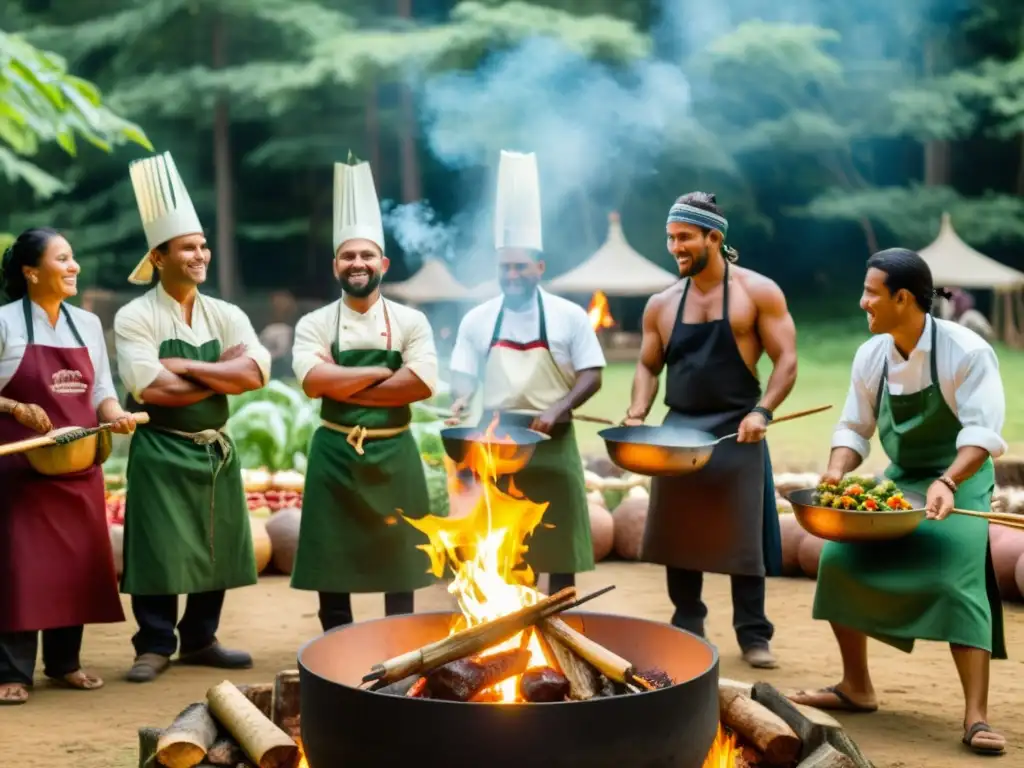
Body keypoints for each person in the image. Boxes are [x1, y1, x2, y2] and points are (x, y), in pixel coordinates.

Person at [789, 248, 1008, 756]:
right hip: (901, 481)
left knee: (957, 577)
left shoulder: (966, 351)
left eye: (871, 293)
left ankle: (976, 716)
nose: (862, 302)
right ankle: (856, 686)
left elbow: (980, 433)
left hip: (963, 480)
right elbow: (853, 427)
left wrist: (949, 483)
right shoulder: (872, 355)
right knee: (839, 558)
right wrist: (836, 470)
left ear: (903, 298)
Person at [113, 152, 272, 683]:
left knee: (215, 543)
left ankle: (200, 638)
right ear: (159, 257)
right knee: (157, 545)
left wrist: (182, 363)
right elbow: (152, 388)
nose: (201, 254)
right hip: (159, 448)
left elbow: (253, 375)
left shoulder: (225, 312)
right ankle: (155, 643)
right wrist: (215, 369)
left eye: (203, 245)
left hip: (214, 447)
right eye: (189, 247)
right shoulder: (134, 315)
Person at [624, 191, 796, 669]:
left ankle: (754, 633)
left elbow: (787, 361)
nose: (674, 246)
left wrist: (763, 411)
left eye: (684, 238)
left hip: (738, 426)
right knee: (679, 534)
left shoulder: (758, 292)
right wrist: (638, 411)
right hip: (678, 430)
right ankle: (688, 622)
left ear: (713, 237)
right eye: (670, 238)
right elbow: (646, 366)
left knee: (745, 536)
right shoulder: (661, 303)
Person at [289, 160, 440, 630]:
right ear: (336, 264)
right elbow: (314, 382)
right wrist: (383, 373)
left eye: (367, 256)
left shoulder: (411, 321)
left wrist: (346, 380)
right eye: (349, 256)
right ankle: (334, 634)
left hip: (395, 449)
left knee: (401, 550)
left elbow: (421, 382)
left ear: (383, 264)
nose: (358, 264)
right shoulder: (313, 322)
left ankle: (399, 634)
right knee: (329, 549)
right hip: (334, 451)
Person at [448, 150, 605, 595]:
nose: (512, 275)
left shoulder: (568, 315)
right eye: (504, 267)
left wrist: (559, 407)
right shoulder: (478, 318)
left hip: (553, 437)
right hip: (496, 439)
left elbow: (592, 374)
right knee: (502, 544)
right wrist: (460, 398)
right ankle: (509, 625)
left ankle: (562, 631)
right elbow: (464, 374)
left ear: (540, 267)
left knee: (558, 547)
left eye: (520, 266)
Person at [0, 228, 137, 705]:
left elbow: (100, 390)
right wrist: (16, 409)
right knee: (19, 568)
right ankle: (11, 670)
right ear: (31, 271)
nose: (74, 266)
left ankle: (64, 664)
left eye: (73, 257)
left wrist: (116, 415)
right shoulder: (3, 323)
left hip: (79, 467)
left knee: (71, 568)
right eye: (63, 258)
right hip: (21, 470)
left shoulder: (87, 323)